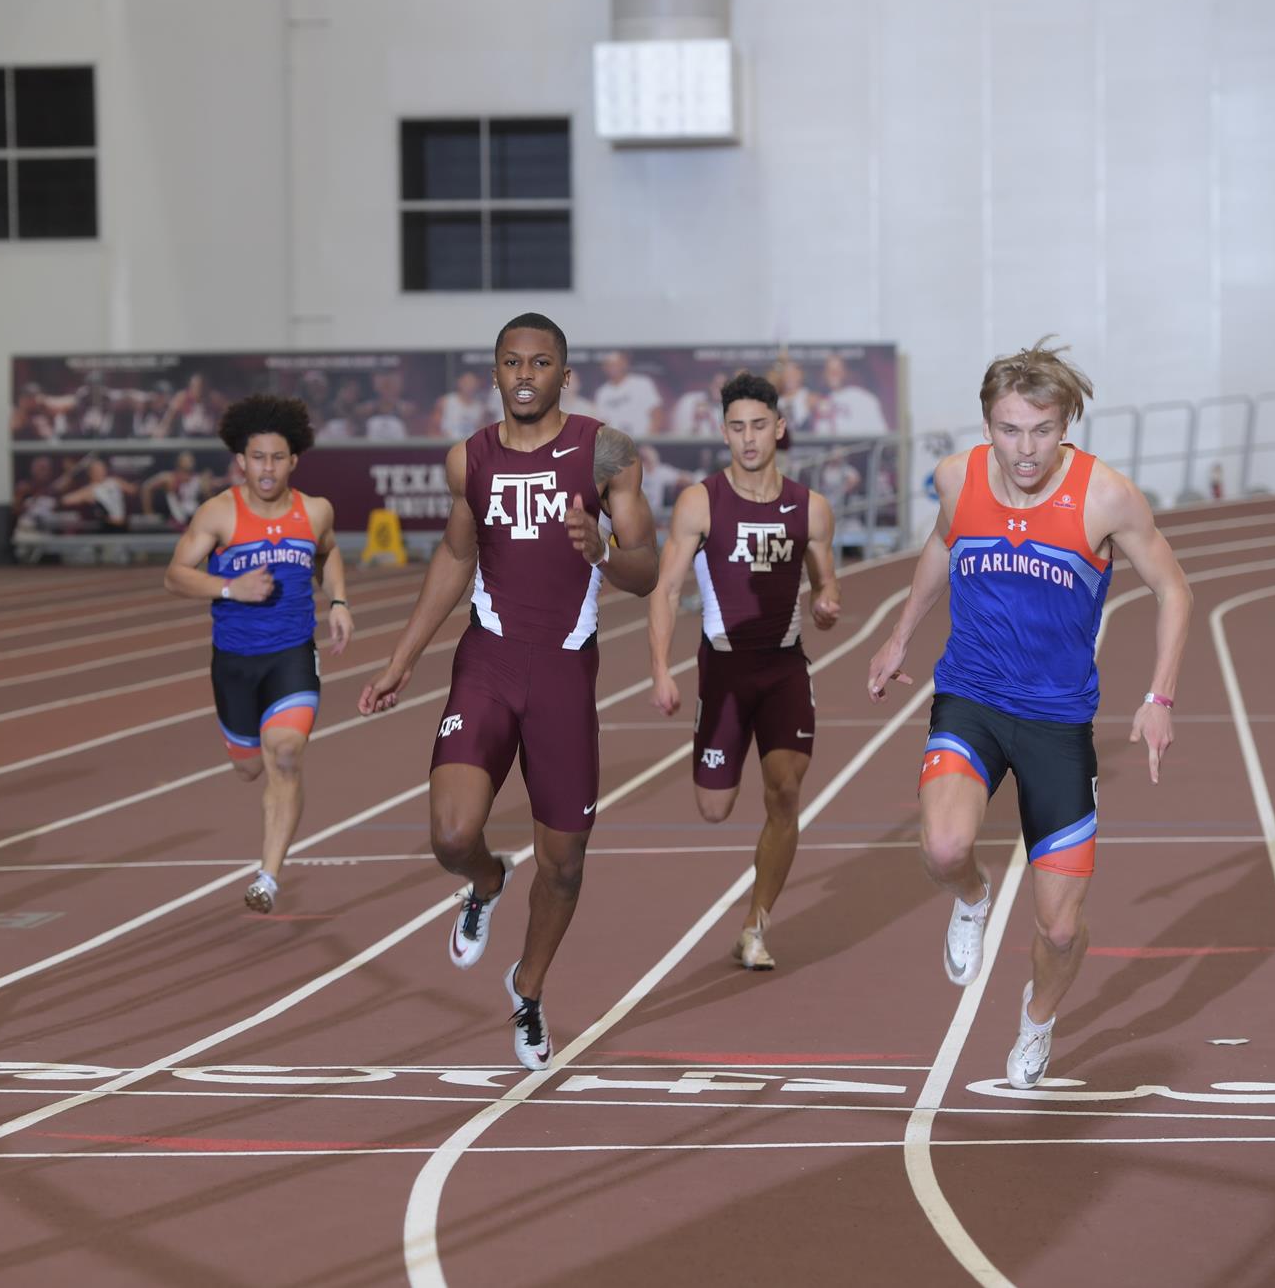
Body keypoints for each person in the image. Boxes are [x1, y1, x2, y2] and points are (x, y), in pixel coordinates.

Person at [864, 337, 1190, 1088]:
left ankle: (1037, 1019)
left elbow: (1175, 590)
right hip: (972, 695)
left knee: (1061, 925)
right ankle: (973, 899)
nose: (1025, 448)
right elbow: (944, 546)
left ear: (1066, 423)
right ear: (987, 424)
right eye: (1009, 429)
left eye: (1042, 429)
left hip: (1057, 721)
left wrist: (1159, 697)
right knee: (945, 850)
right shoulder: (956, 478)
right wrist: (899, 636)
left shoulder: (1105, 495)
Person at [358, 312, 658, 1071]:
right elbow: (456, 561)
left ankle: (527, 987)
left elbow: (649, 570)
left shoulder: (607, 453)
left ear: (565, 373)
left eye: (541, 362)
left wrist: (604, 553)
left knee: (564, 862)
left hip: (562, 670)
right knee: (452, 835)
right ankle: (487, 882)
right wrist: (402, 657)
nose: (526, 375)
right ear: (494, 373)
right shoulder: (469, 461)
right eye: (512, 362)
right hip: (487, 661)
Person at [647, 372, 842, 970]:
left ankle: (755, 925)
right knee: (715, 807)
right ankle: (716, 757)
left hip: (784, 668)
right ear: (723, 431)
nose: (749, 438)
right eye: (737, 427)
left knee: (785, 790)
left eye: (759, 425)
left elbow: (826, 583)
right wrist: (660, 669)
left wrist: (826, 604)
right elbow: (666, 589)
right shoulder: (700, 502)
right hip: (725, 674)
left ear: (779, 428)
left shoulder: (810, 508)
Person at [164, 395, 353, 914]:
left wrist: (337, 600)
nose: (267, 469)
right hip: (234, 663)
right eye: (258, 458)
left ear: (293, 460)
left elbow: (329, 551)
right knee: (250, 767)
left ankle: (268, 876)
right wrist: (229, 588)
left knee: (287, 754)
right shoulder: (219, 514)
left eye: (278, 458)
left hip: (291, 654)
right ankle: (248, 758)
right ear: (241, 461)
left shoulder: (314, 511)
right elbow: (175, 574)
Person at [808, 352, 891, 438]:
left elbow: (881, 435)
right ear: (824, 374)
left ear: (845, 372)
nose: (834, 373)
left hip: (858, 449)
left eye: (838, 369)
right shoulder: (818, 401)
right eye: (829, 370)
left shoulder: (863, 398)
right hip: (827, 450)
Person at [594, 350, 665, 436]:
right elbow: (603, 423)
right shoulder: (602, 392)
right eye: (609, 365)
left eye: (617, 364)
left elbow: (657, 414)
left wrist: (649, 438)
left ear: (625, 363)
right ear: (604, 367)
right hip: (617, 444)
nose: (614, 368)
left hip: (643, 440)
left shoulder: (642, 383)